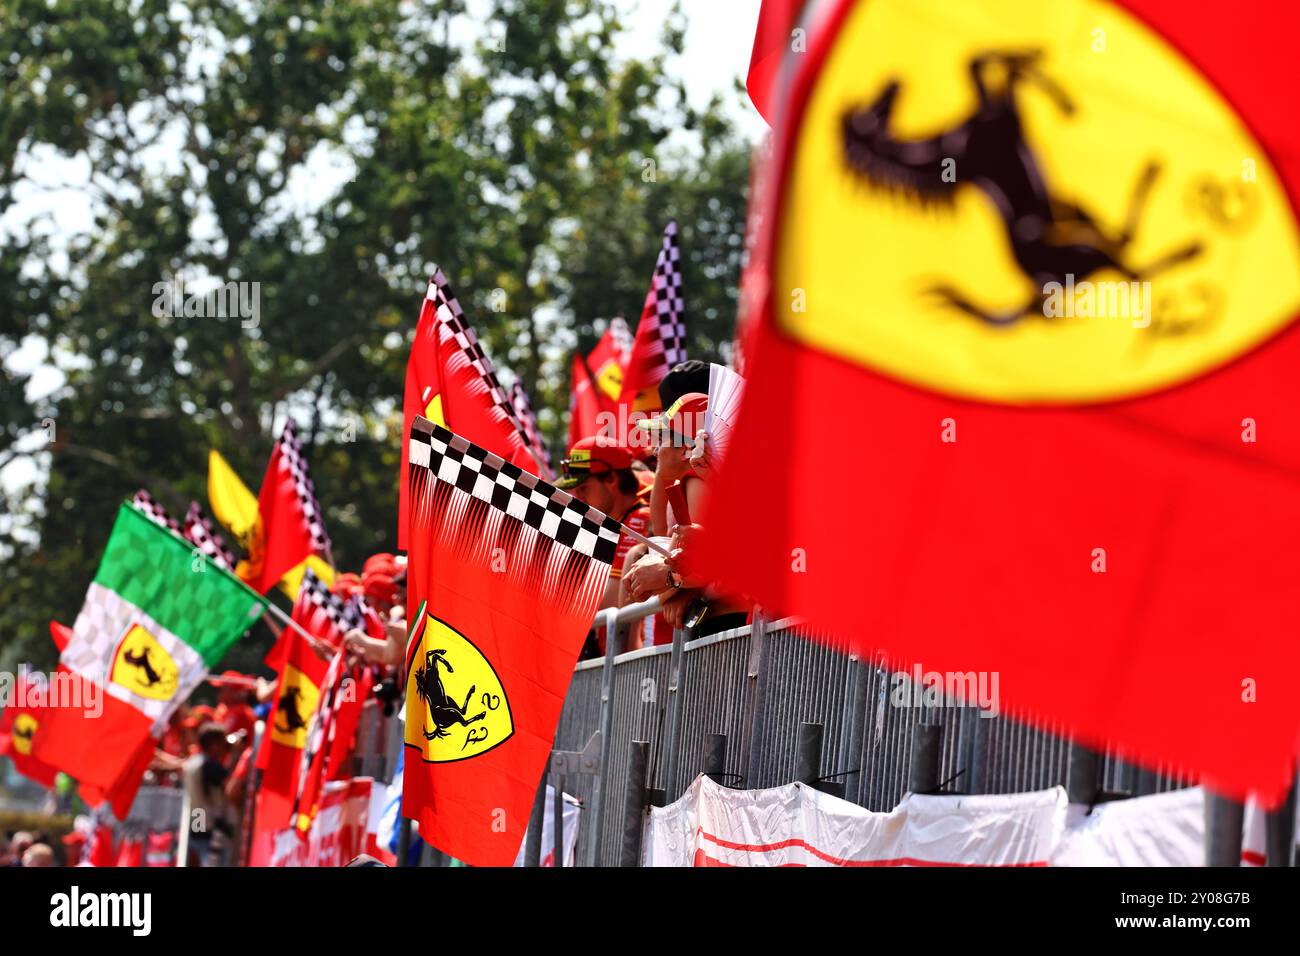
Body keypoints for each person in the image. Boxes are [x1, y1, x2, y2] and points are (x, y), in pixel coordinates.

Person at [182, 723, 238, 866]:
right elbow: (231, 785)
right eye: (221, 742)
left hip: (196, 819)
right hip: (211, 826)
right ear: (212, 744)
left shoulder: (193, 762)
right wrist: (235, 755)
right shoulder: (209, 765)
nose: (223, 747)